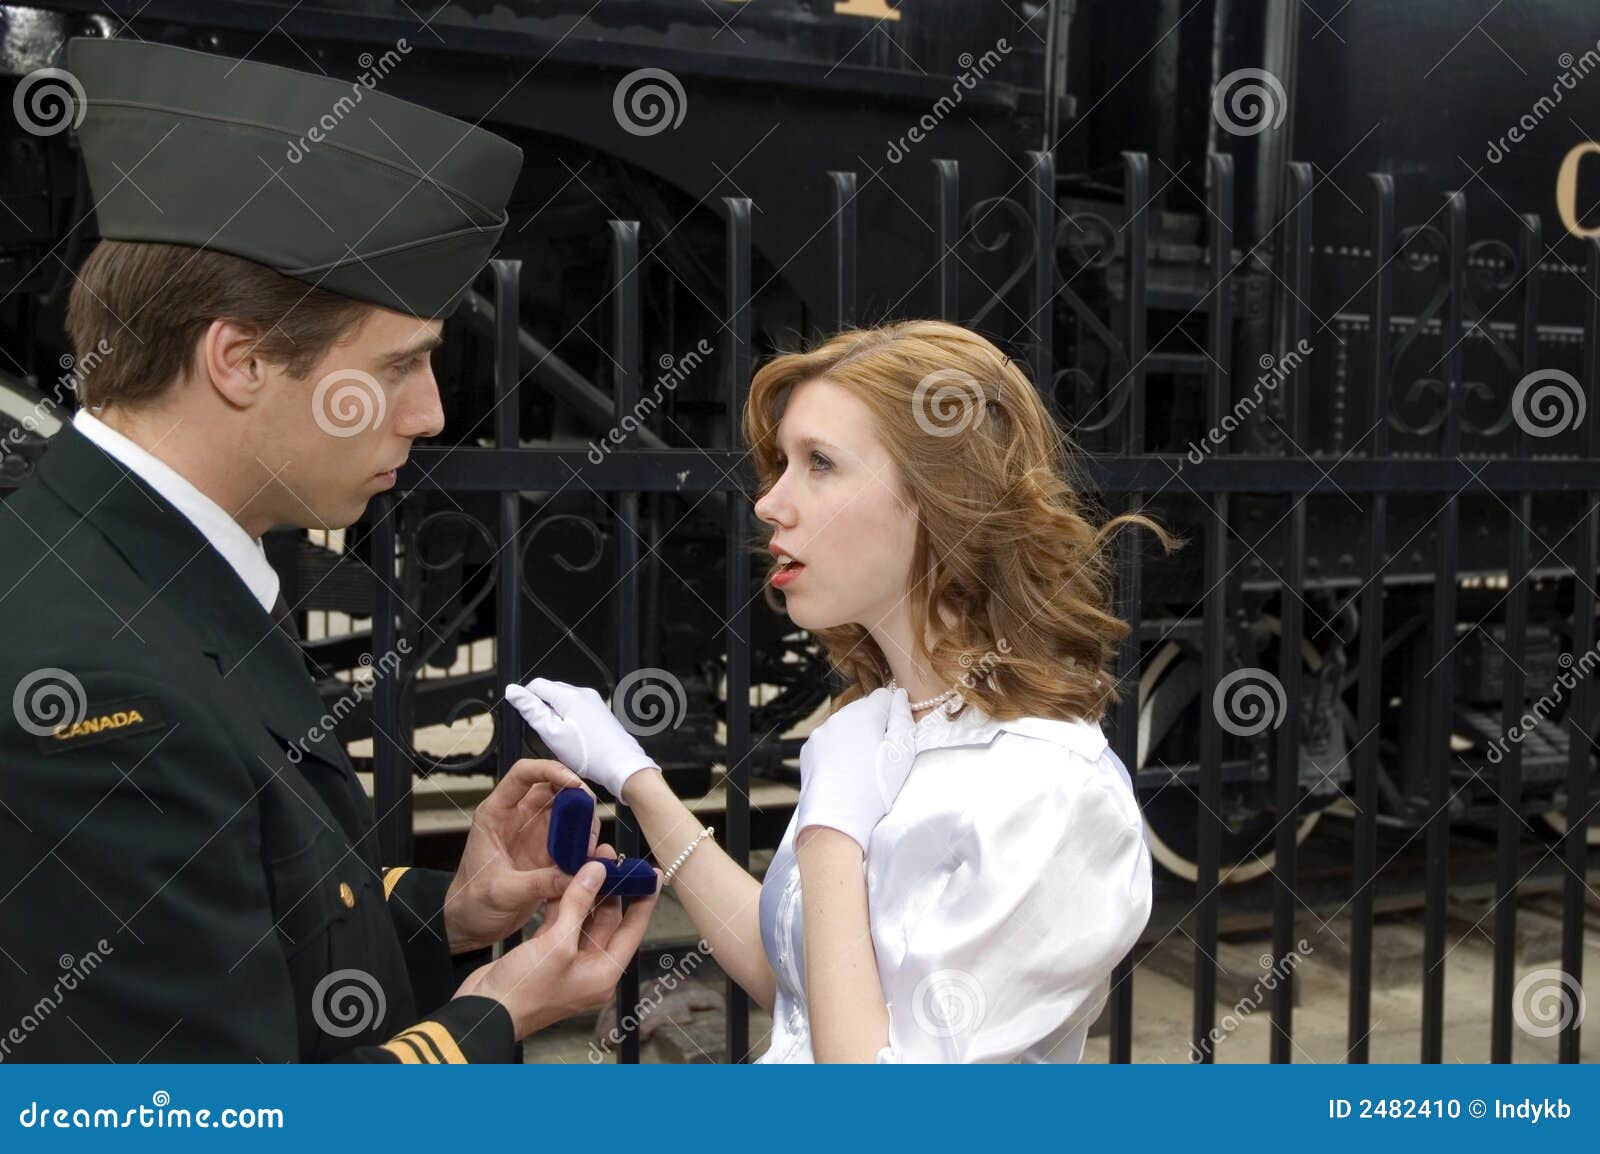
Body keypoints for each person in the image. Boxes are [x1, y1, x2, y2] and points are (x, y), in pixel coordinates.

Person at [0, 36, 659, 1063]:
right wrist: (496, 1014)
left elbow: (245, 926)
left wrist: (453, 912)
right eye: (397, 367)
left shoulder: (132, 570)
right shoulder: (98, 688)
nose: (432, 413)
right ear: (240, 359)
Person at [507, 319, 1171, 1063]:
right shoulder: (880, 727)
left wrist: (830, 834)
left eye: (819, 463)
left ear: (941, 497)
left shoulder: (1050, 792)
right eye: (782, 462)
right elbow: (795, 983)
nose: (767, 503)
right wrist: (636, 779)